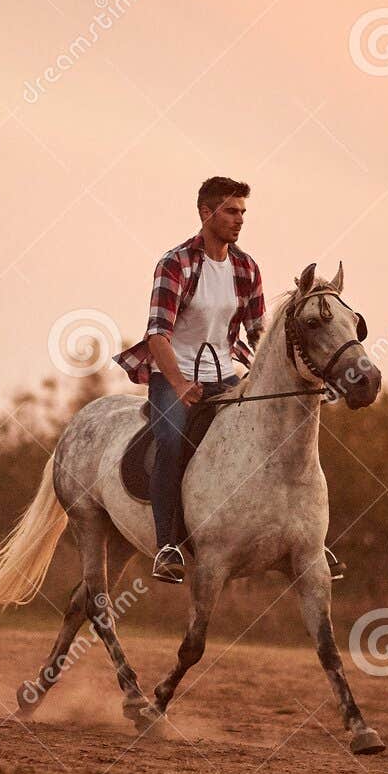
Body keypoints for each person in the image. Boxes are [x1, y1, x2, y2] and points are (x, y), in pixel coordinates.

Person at [115, 176, 264, 584]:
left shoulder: (246, 268)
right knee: (170, 439)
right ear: (206, 212)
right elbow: (157, 335)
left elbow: (258, 335)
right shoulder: (176, 263)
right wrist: (180, 384)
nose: (239, 220)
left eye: (243, 213)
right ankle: (166, 546)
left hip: (224, 376)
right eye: (232, 211)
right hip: (172, 375)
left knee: (270, 435)